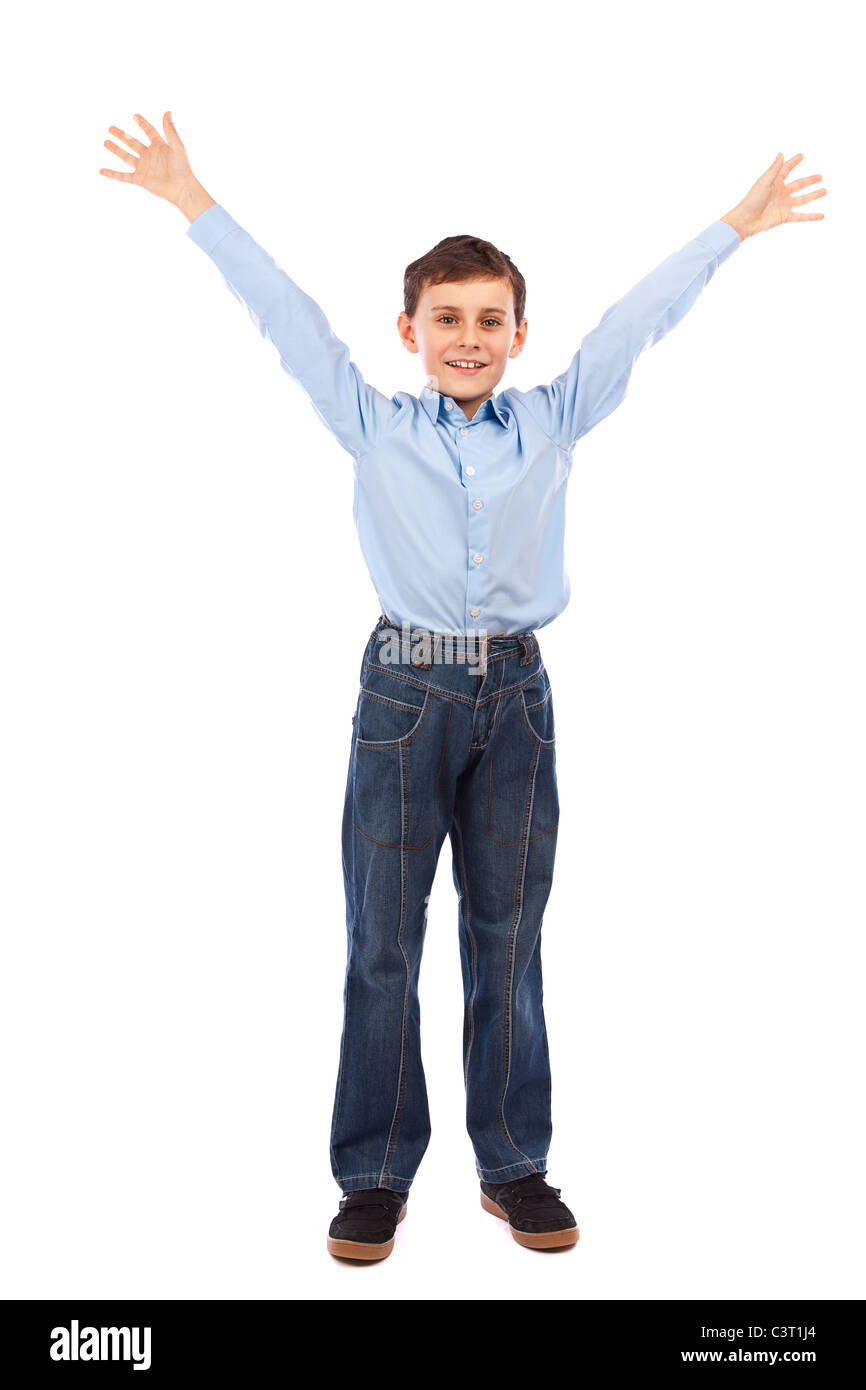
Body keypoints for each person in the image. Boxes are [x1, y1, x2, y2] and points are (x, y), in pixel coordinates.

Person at [99, 113, 826, 1261]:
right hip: (404, 699)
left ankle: (513, 1164)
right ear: (411, 331)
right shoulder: (373, 426)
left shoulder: (553, 418)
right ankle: (375, 1174)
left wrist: (733, 226)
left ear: (518, 332)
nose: (470, 337)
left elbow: (635, 322)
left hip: (517, 705)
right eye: (448, 319)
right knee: (381, 941)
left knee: (507, 935)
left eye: (490, 319)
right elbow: (289, 322)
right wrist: (195, 199)